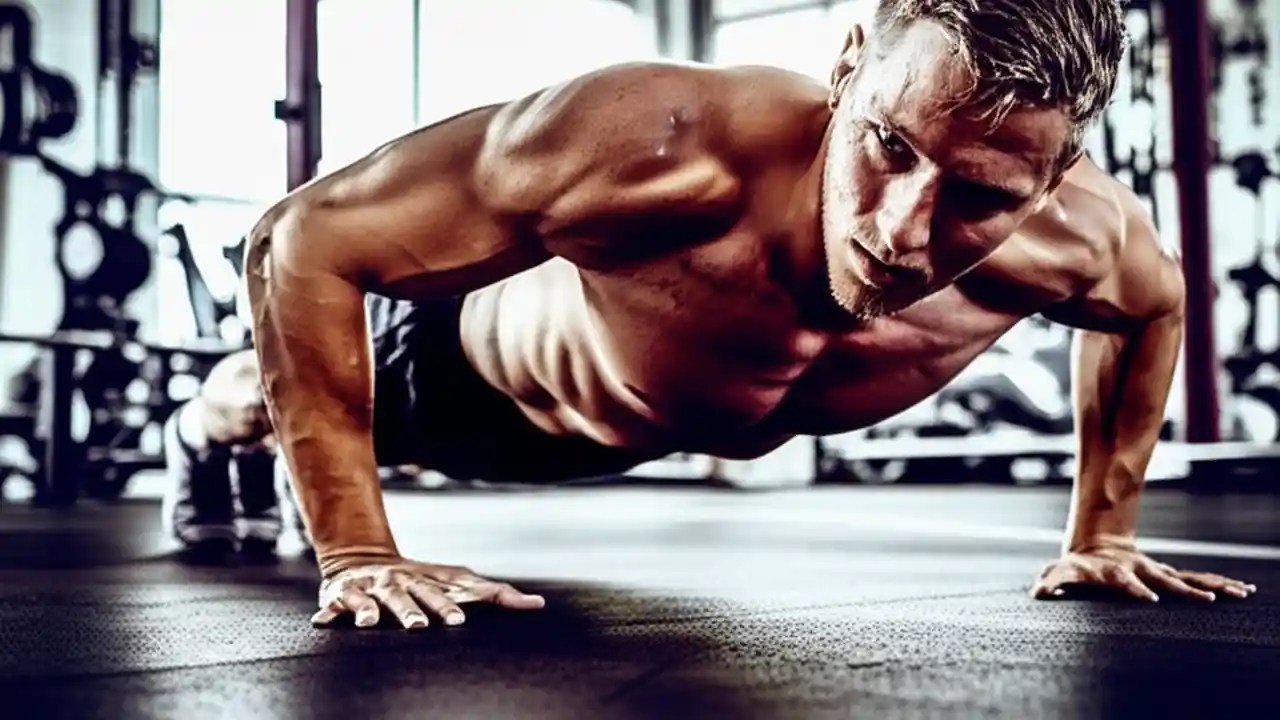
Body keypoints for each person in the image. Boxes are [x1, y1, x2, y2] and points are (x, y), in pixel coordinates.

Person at [184, 0, 1260, 630]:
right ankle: (203, 427)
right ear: (845, 70)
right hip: (463, 374)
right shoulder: (653, 144)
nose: (897, 230)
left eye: (978, 194)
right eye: (887, 146)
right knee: (247, 402)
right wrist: (357, 549)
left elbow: (1151, 312)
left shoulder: (1089, 240)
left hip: (630, 438)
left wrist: (1102, 535)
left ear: (1059, 169)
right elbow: (301, 238)